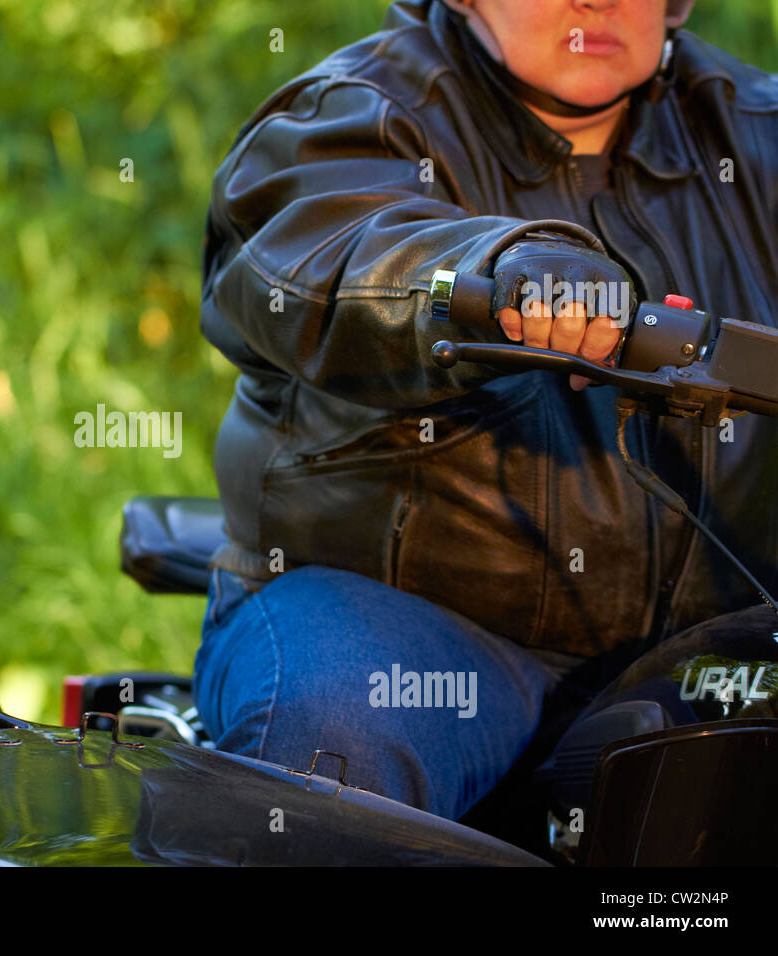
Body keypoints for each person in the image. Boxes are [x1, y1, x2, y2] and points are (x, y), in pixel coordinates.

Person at [194, 0, 778, 820]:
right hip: (417, 625)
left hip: (715, 641)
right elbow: (333, 259)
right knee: (342, 732)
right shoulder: (348, 117)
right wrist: (501, 268)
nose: (597, 1)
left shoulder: (758, 131)